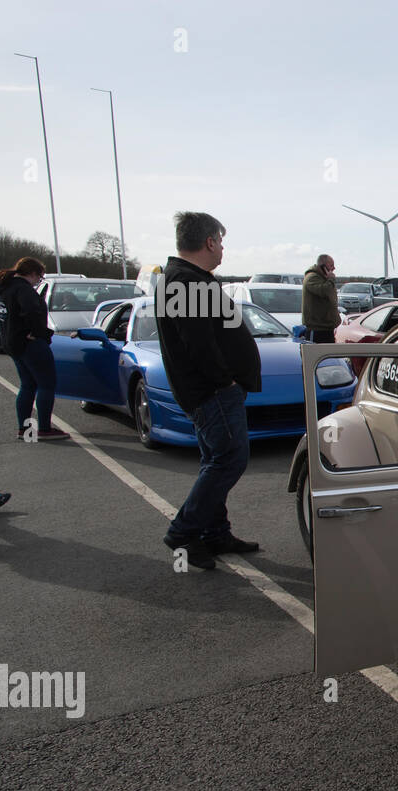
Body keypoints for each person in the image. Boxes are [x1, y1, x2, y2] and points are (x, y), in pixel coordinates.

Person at [156, 212, 262, 570]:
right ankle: (184, 532)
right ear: (209, 242)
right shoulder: (187, 283)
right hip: (213, 393)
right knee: (229, 459)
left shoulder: (186, 280)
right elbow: (198, 345)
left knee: (214, 460)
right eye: (221, 240)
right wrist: (225, 381)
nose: (222, 248)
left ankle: (215, 532)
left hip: (209, 391)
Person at [0, 256, 69, 441]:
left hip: (13, 343)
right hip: (30, 344)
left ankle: (24, 429)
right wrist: (39, 333)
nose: (38, 282)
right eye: (39, 278)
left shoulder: (3, 289)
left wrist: (15, 331)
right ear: (33, 274)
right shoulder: (23, 290)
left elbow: (0, 313)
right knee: (46, 384)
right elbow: (32, 312)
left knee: (27, 384)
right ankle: (44, 428)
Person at [302, 254, 340, 343]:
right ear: (322, 266)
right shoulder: (312, 277)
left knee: (329, 355)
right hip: (317, 330)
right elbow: (324, 291)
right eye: (331, 265)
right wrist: (331, 279)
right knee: (315, 355)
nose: (334, 268)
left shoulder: (324, 279)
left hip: (327, 329)